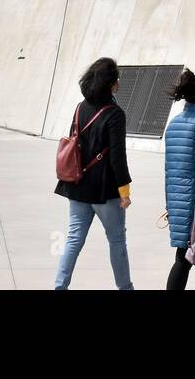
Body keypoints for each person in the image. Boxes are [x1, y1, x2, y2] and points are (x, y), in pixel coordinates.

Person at [53, 57, 133, 290]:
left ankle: (59, 286)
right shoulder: (115, 114)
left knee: (74, 239)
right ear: (111, 84)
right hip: (105, 190)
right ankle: (126, 288)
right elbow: (118, 158)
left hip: (77, 186)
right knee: (117, 241)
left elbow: (76, 143)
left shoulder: (80, 108)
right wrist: (125, 191)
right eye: (116, 79)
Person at [163, 68, 195, 291]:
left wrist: (169, 204)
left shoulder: (173, 124)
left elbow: (168, 171)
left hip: (177, 200)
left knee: (184, 257)